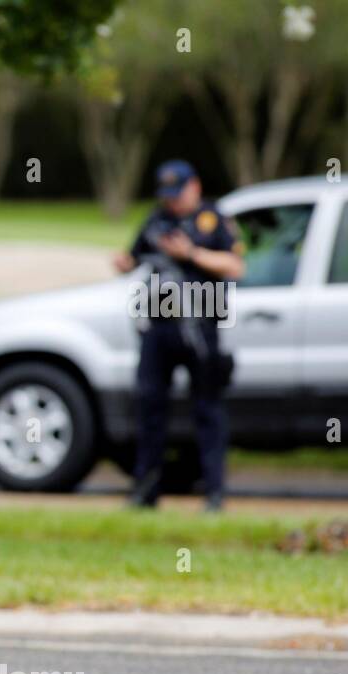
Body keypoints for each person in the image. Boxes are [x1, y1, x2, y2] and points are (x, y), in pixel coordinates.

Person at [113, 160, 246, 511]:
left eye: (178, 194)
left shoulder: (214, 219)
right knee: (150, 407)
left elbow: (235, 267)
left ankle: (214, 493)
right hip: (159, 327)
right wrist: (124, 263)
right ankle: (146, 490)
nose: (172, 202)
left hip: (200, 328)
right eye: (167, 196)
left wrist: (191, 254)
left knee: (207, 410)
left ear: (195, 187)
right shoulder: (157, 220)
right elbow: (134, 256)